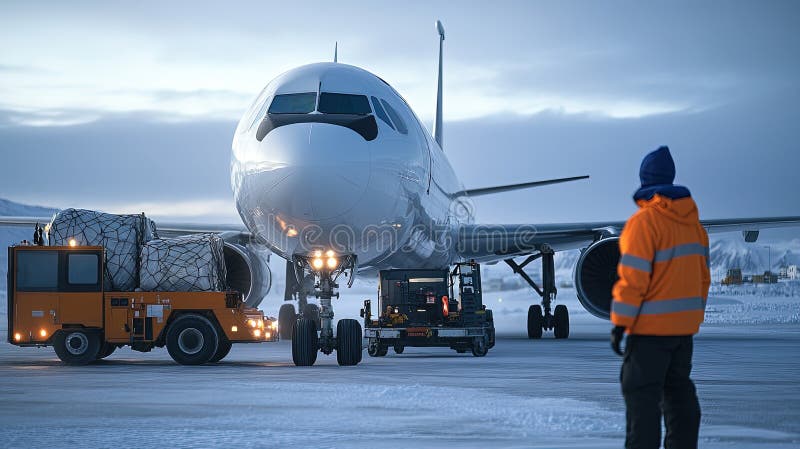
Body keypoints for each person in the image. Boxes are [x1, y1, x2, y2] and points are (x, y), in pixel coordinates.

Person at [611, 146, 709, 449]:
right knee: (680, 397)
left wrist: (620, 324)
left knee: (642, 401)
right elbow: (703, 280)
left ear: (645, 179)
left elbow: (632, 280)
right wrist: (688, 320)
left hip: (650, 333)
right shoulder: (695, 227)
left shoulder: (644, 223)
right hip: (683, 334)